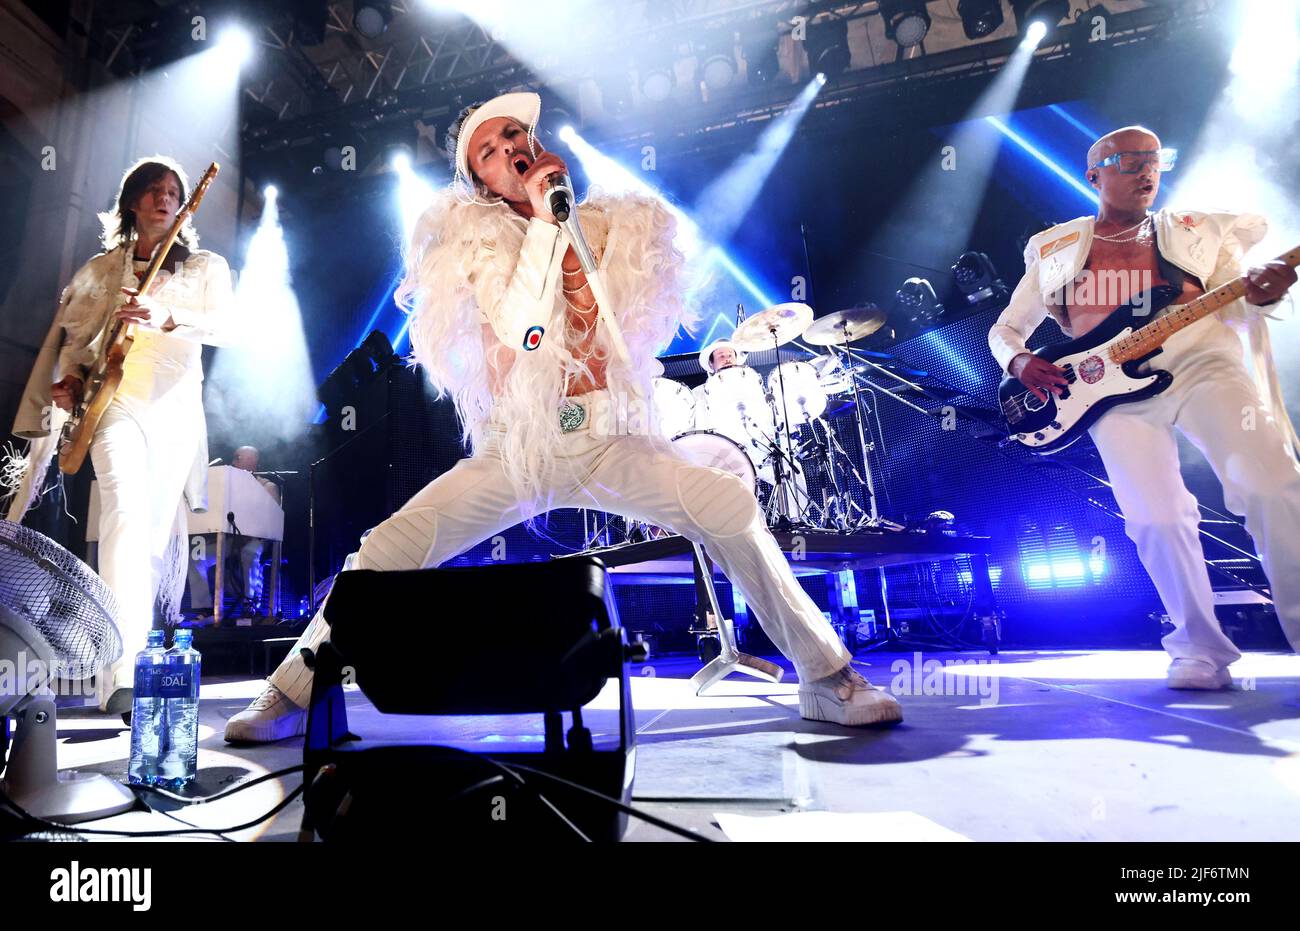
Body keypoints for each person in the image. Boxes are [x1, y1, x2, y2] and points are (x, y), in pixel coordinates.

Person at [225, 92, 901, 742]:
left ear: (536, 145)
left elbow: (628, 332)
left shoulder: (605, 223)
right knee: (387, 549)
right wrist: (546, 231)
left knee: (727, 506)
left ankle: (825, 674)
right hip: (522, 447)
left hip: (612, 437)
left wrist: (566, 224)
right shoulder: (480, 241)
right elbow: (524, 332)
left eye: (513, 136)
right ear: (481, 182)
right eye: (488, 149)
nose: (508, 149)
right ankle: (290, 690)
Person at [989, 125, 1300, 689]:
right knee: (1153, 515)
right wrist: (1020, 362)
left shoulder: (1199, 231)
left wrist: (1264, 291)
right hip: (1108, 386)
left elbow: (1237, 302)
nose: (1145, 171)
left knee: (1270, 481)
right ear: (1094, 175)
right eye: (1127, 160)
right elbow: (1006, 328)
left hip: (1204, 362)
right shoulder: (1056, 246)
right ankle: (1198, 648)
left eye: (1153, 160)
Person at [10, 155, 235, 714]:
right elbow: (76, 342)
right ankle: (119, 678)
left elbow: (230, 328)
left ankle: (133, 658)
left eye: (174, 192)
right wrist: (69, 382)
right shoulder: (99, 269)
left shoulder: (205, 266)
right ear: (132, 201)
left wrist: (166, 317)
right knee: (125, 519)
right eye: (154, 190)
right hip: (116, 405)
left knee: (152, 540)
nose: (165, 198)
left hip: (176, 411)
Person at [186, 445, 280, 621]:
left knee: (249, 552)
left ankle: (250, 604)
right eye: (235, 458)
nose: (233, 462)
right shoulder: (226, 488)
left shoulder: (268, 486)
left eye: (238, 458)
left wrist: (250, 533)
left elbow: (272, 522)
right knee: (197, 556)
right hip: (230, 540)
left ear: (252, 462)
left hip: (257, 540)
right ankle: (204, 608)